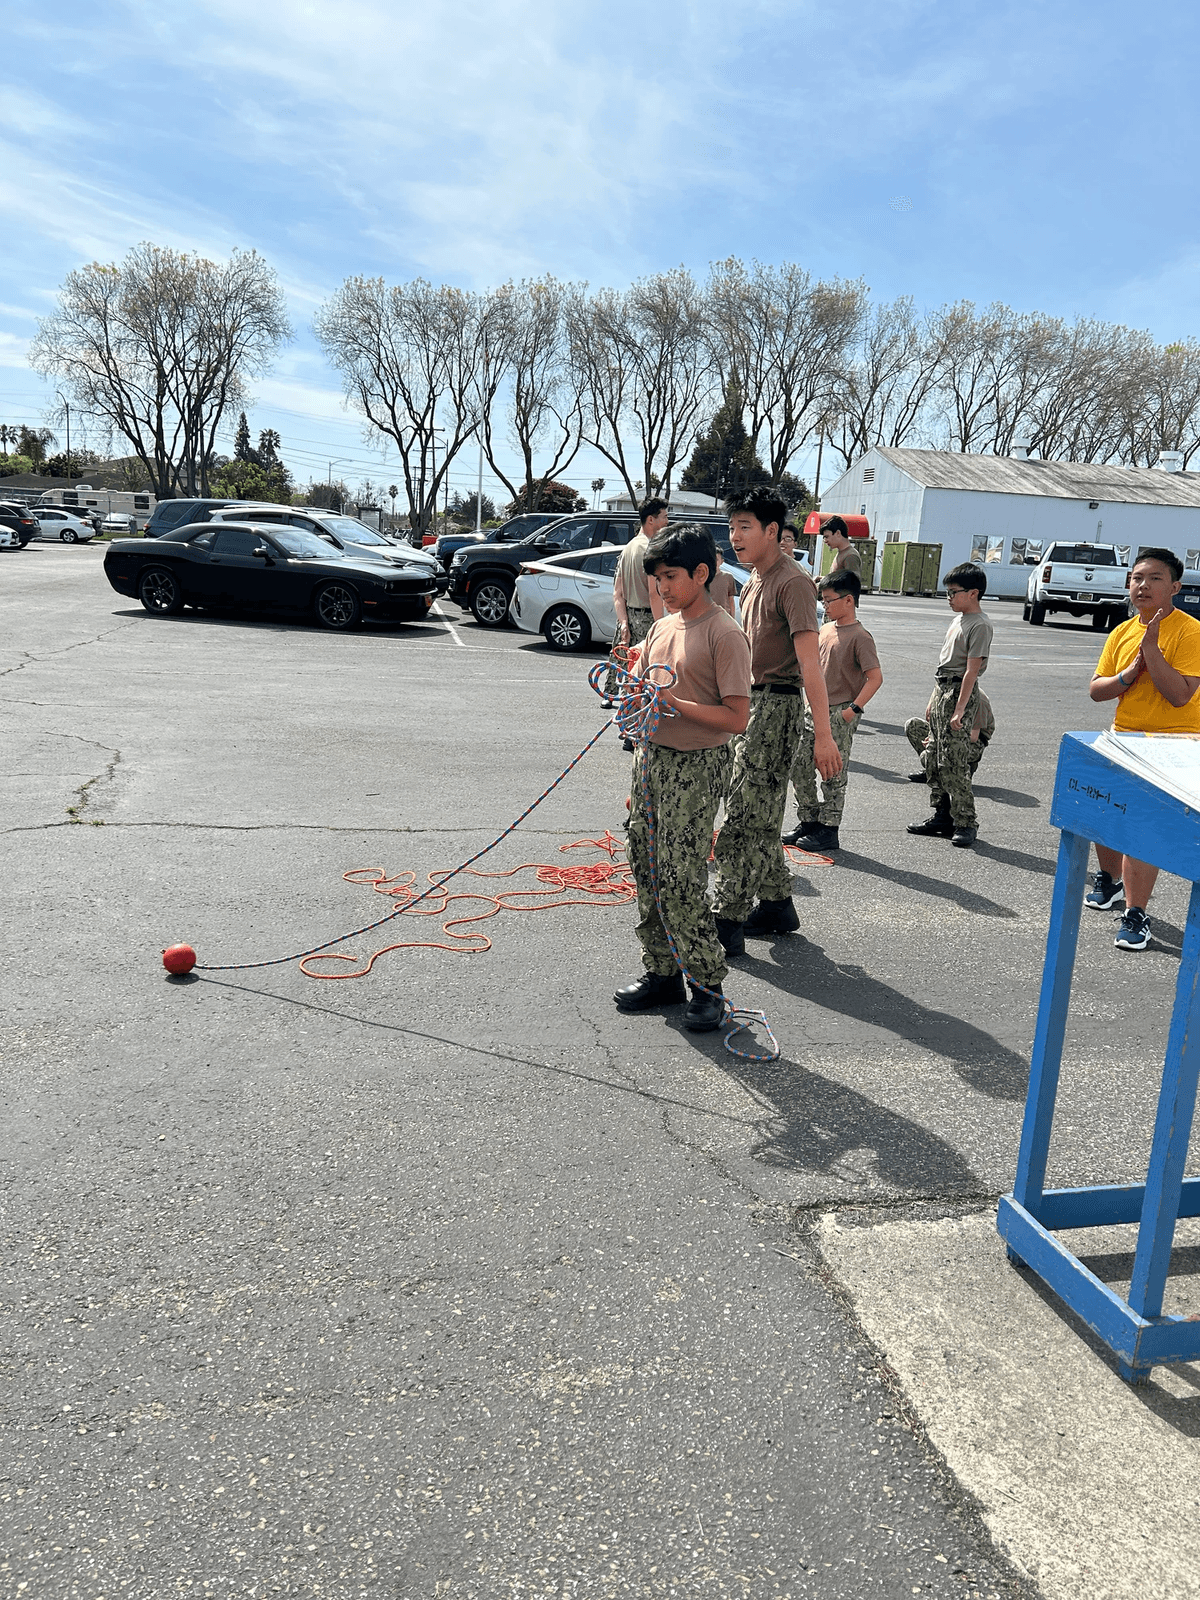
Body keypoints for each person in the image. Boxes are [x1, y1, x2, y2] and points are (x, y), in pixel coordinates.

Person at [613, 523, 752, 1029]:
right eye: (657, 580)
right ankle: (663, 972)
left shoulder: (724, 633)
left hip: (695, 767)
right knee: (646, 867)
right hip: (651, 761)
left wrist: (672, 702)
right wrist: (631, 690)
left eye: (670, 577)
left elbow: (736, 718)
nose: (663, 589)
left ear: (701, 573)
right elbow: (641, 698)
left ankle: (707, 985)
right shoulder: (661, 628)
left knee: (679, 876)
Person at [711, 486, 841, 954]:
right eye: (732, 527)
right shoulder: (754, 581)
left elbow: (811, 665)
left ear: (772, 531)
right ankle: (777, 903)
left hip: (777, 707)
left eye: (745, 526)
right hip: (752, 703)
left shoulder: (793, 582)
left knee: (744, 815)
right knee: (760, 815)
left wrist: (822, 736)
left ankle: (727, 920)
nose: (735, 536)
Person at [1086, 547, 1200, 951]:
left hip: (1174, 743)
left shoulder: (1190, 631)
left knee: (1142, 830)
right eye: (1136, 578)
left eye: (1154, 578)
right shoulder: (1121, 631)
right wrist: (1129, 673)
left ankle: (1136, 915)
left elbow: (1180, 696)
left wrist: (1151, 651)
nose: (1143, 585)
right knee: (1104, 813)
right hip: (1124, 737)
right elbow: (1097, 690)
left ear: (1175, 587)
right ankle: (1110, 881)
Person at [784, 569, 883, 852]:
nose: (824, 606)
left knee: (832, 773)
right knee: (800, 765)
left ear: (849, 600)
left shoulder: (860, 636)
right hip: (813, 709)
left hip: (839, 711)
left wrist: (851, 711)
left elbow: (875, 677)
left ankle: (829, 828)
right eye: (823, 601)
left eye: (829, 600)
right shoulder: (826, 629)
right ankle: (809, 819)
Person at [907, 563, 992, 848]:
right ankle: (942, 814)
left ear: (973, 593)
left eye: (954, 592)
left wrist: (959, 708)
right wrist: (933, 702)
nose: (949, 598)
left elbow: (971, 671)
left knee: (954, 762)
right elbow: (943, 666)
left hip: (958, 691)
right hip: (942, 688)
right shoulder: (959, 619)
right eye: (948, 592)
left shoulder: (979, 624)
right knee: (934, 757)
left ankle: (966, 822)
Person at [601, 496, 668, 710]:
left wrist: (623, 623)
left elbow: (617, 592)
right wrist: (661, 625)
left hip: (629, 615)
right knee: (642, 673)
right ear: (651, 520)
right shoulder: (649, 549)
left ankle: (617, 707)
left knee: (626, 666)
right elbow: (654, 593)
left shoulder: (628, 548)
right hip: (647, 617)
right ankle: (632, 723)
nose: (667, 521)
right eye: (664, 517)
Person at [906, 688, 994, 782]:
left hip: (971, 742)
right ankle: (933, 771)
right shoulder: (944, 689)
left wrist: (939, 741)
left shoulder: (978, 699)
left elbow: (973, 737)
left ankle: (963, 769)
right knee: (913, 725)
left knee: (927, 757)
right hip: (947, 732)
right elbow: (934, 720)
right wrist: (932, 735)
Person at [821, 515, 862, 579]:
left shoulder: (850, 556)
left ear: (838, 533)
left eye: (827, 537)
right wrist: (823, 579)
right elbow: (839, 581)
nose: (825, 541)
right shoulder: (842, 552)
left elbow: (852, 584)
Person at [709, 547, 737, 616]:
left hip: (724, 616)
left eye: (716, 559)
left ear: (721, 562)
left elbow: (731, 600)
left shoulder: (728, 577)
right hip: (707, 618)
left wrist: (732, 618)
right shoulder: (701, 579)